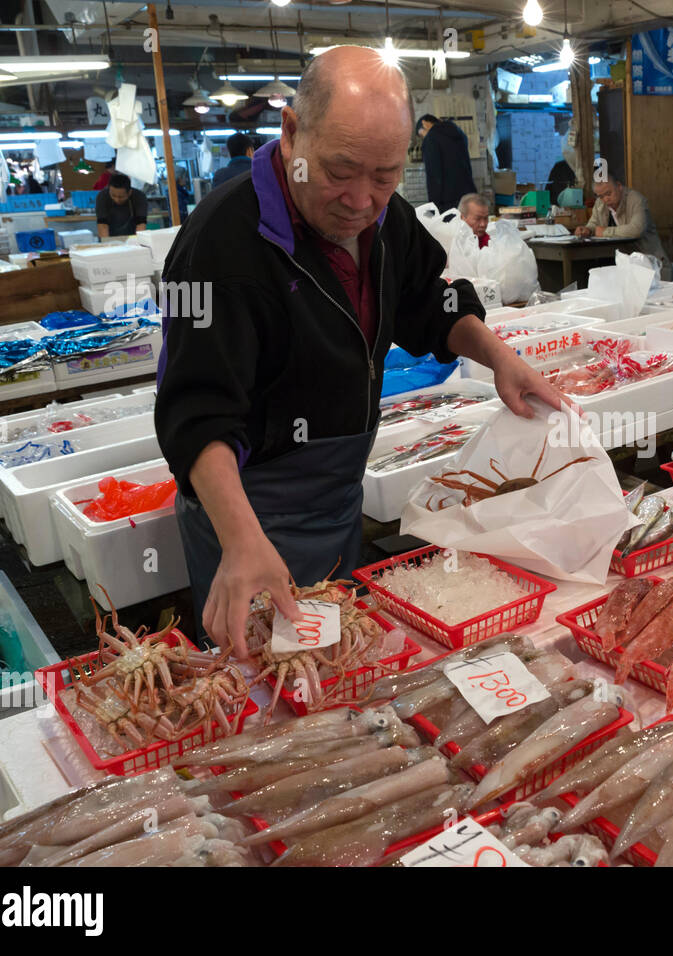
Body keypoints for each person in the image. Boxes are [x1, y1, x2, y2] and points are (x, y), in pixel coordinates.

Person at [154, 48, 572, 652]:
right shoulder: (218, 245)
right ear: (293, 133)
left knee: (344, 675)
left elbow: (429, 302)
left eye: (385, 175)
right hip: (243, 513)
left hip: (336, 500)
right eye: (341, 170)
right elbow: (195, 412)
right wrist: (243, 540)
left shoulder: (384, 218)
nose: (360, 199)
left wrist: (501, 358)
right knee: (270, 701)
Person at [576, 173, 671, 276]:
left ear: (619, 186)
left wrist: (605, 232)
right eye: (601, 196)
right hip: (625, 267)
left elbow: (636, 229)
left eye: (608, 194)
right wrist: (587, 230)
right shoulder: (600, 203)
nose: (605, 199)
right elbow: (594, 225)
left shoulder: (636, 199)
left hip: (652, 265)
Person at [416, 113, 476, 211]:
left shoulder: (431, 138)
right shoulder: (459, 133)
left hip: (448, 202)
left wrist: (433, 207)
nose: (423, 138)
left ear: (424, 123)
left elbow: (434, 176)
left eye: (421, 134)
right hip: (469, 197)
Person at [95, 172, 148, 238]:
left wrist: (137, 243)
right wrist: (107, 244)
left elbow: (141, 224)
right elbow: (102, 224)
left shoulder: (139, 197)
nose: (117, 199)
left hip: (132, 237)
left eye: (121, 197)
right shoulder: (102, 196)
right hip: (109, 236)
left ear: (129, 192)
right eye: (113, 195)